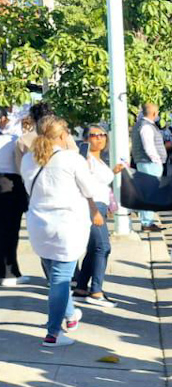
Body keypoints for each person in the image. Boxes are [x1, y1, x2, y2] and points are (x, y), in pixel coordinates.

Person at [21, 116, 112, 347]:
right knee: (60, 280)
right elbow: (90, 188)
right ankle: (53, 333)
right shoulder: (72, 159)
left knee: (55, 278)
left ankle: (70, 314)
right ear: (63, 135)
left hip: (39, 224)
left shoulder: (28, 160)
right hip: (66, 226)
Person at [72, 125, 125, 308]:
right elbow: (83, 185)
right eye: (94, 135)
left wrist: (115, 171)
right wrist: (94, 210)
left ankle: (81, 289)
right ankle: (96, 291)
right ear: (86, 138)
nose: (100, 138)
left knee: (94, 248)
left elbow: (101, 181)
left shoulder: (98, 160)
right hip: (92, 207)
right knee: (103, 247)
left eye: (103, 135)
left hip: (100, 206)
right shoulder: (85, 159)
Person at [0, 106, 30, 286]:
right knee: (10, 230)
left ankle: (9, 271)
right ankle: (9, 272)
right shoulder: (13, 140)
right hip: (10, 184)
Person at [131, 103, 167, 233]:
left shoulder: (140, 125)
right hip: (149, 163)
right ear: (154, 114)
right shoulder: (146, 127)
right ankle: (147, 222)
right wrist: (157, 160)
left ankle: (147, 220)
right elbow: (149, 147)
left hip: (145, 162)